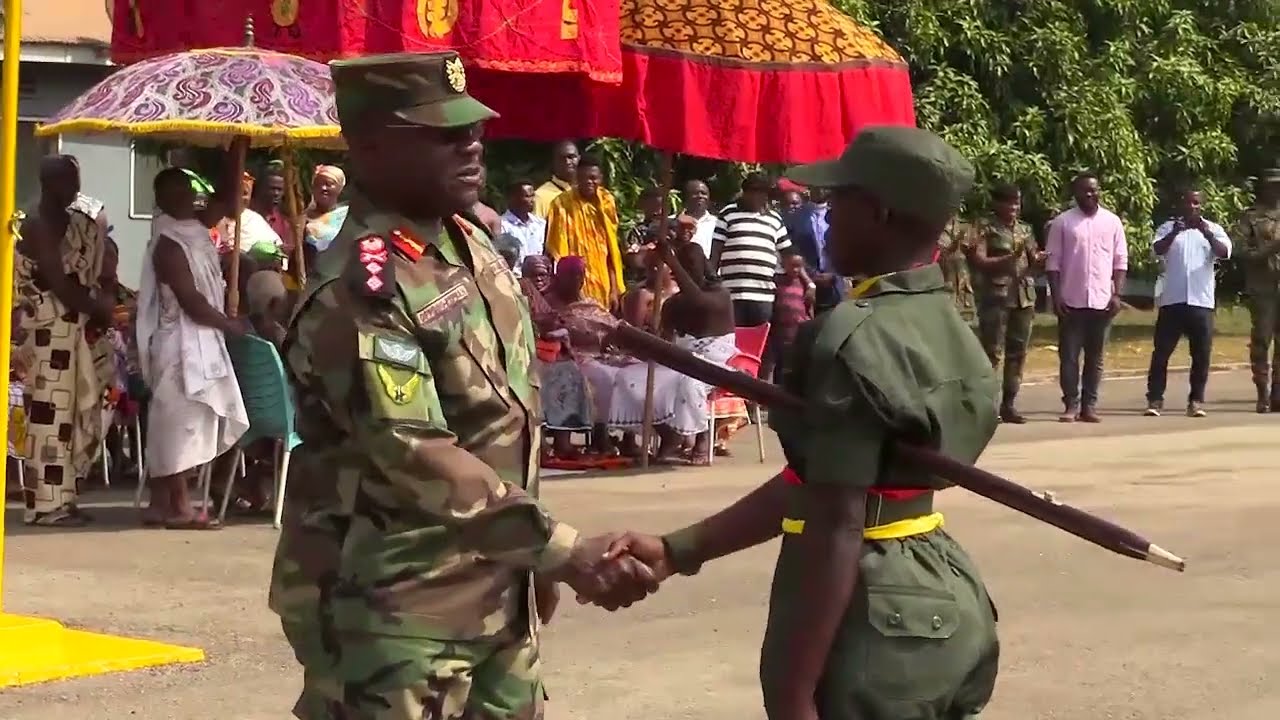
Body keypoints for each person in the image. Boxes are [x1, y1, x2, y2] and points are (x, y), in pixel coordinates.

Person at [267, 52, 655, 720]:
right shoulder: (360, 290)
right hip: (400, 616)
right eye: (442, 133)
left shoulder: (466, 241)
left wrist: (532, 563)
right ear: (370, 145)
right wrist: (562, 551)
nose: (470, 143)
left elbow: (503, 410)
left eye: (472, 128)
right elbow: (414, 449)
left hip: (498, 596)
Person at [598, 126, 1001, 720]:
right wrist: (677, 549)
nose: (825, 212)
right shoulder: (946, 323)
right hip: (945, 591)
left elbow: (836, 522)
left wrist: (791, 693)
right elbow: (818, 482)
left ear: (880, 213)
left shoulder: (853, 336)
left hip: (875, 614)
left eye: (840, 198)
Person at [136, 168, 249, 529]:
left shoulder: (195, 227)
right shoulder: (168, 244)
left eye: (190, 192)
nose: (189, 198)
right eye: (179, 193)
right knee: (178, 424)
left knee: (180, 422)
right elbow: (190, 300)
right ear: (164, 200)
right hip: (179, 342)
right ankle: (181, 508)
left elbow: (227, 202)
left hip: (200, 339)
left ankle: (159, 504)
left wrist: (234, 153)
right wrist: (228, 324)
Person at [12, 156, 114, 526]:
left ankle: (64, 498)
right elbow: (58, 283)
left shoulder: (71, 222)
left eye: (77, 180)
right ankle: (45, 506)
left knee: (68, 418)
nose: (75, 188)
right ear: (48, 182)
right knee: (47, 419)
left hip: (68, 332)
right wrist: (98, 309)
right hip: (44, 334)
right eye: (68, 180)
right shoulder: (36, 223)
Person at [607, 238, 736, 463]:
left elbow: (699, 302)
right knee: (629, 378)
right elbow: (664, 341)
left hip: (715, 361)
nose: (688, 270)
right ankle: (668, 435)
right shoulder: (673, 304)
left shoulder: (720, 294)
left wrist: (671, 260)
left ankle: (702, 436)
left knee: (689, 382)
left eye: (691, 265)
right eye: (684, 266)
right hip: (681, 360)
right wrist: (632, 344)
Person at [1045, 172, 1128, 423]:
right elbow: (1053, 263)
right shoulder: (1062, 222)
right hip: (1071, 300)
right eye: (1085, 190)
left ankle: (1089, 406)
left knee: (1095, 358)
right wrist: (1056, 296)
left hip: (1102, 302)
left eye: (1094, 189)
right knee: (1069, 357)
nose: (1090, 194)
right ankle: (1071, 404)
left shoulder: (1112, 222)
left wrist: (1117, 294)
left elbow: (1120, 261)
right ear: (1076, 194)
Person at [523, 256, 626, 457]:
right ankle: (562, 441)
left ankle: (606, 436)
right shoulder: (538, 300)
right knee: (580, 375)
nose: (576, 280)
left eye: (580, 275)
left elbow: (612, 327)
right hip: (559, 356)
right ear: (559, 276)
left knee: (626, 374)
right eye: (570, 275)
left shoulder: (589, 304)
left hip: (593, 355)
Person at [1145, 187, 1231, 417]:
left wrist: (1207, 234)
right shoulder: (1167, 227)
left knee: (1201, 355)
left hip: (1201, 303)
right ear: (1180, 204)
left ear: (1202, 205)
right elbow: (1156, 250)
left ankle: (1195, 401)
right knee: (1161, 353)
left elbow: (1224, 253)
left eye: (1196, 203)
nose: (1192, 207)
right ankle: (1155, 400)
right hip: (1172, 300)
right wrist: (1175, 232)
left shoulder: (1213, 228)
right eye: (1188, 202)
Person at [967, 183, 1043, 423]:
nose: (1014, 207)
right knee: (992, 353)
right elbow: (978, 260)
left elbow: (1032, 259)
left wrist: (1039, 260)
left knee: (1017, 353)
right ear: (997, 203)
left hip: (1023, 297)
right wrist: (1007, 260)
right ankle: (987, 407)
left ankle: (1009, 405)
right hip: (996, 296)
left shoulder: (1025, 229)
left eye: (1017, 203)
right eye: (1009, 203)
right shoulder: (984, 227)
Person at [711, 172, 793, 327]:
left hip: (763, 295)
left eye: (761, 191)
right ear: (745, 192)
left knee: (759, 338)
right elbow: (715, 251)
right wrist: (712, 284)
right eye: (753, 190)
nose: (756, 195)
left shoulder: (775, 219)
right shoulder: (728, 213)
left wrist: (806, 282)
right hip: (732, 294)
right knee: (733, 337)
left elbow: (788, 254)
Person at [545, 153, 624, 311]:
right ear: (576, 178)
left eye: (593, 178)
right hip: (574, 286)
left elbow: (611, 251)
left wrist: (614, 289)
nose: (589, 182)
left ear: (601, 178)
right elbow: (558, 252)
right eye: (583, 178)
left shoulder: (606, 202)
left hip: (604, 285)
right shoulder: (561, 204)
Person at [1234, 168, 1280, 413]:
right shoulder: (1251, 217)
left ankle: (1278, 394)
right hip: (1263, 288)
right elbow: (1240, 251)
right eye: (1272, 185)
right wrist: (1270, 249)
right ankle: (1262, 391)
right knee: (1262, 339)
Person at [782, 185, 845, 313]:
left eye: (824, 186)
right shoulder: (795, 217)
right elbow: (791, 249)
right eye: (818, 186)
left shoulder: (840, 215)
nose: (821, 189)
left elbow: (845, 246)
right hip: (805, 284)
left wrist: (833, 274)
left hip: (835, 285)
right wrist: (811, 275)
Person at [764, 254, 815, 384]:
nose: (796, 270)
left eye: (799, 266)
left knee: (793, 368)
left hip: (798, 333)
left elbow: (809, 307)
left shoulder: (804, 284)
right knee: (775, 367)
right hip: (778, 333)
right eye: (792, 266)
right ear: (784, 265)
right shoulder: (776, 281)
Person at [499, 179, 546, 273]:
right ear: (513, 198)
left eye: (533, 196)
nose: (532, 200)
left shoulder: (540, 224)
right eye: (527, 196)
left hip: (539, 278)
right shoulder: (502, 225)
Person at [302, 164, 350, 254]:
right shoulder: (302, 217)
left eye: (328, 184)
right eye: (318, 184)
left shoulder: (346, 215)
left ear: (340, 188)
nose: (323, 188)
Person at [937, 215, 975, 323]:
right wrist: (955, 243)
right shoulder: (933, 226)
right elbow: (942, 251)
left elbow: (972, 253)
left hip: (962, 280)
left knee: (965, 321)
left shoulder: (964, 225)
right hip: (942, 279)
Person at [534, 140, 579, 218]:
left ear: (579, 158)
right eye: (562, 158)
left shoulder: (587, 191)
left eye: (571, 157)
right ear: (553, 162)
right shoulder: (541, 197)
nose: (567, 162)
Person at [251, 166, 294, 244]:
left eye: (279, 189)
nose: (276, 193)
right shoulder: (246, 217)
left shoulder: (284, 224)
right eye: (272, 188)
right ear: (261, 188)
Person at [680, 179, 717, 259]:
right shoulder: (673, 222)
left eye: (704, 193)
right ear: (686, 196)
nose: (700, 196)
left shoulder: (717, 223)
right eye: (695, 193)